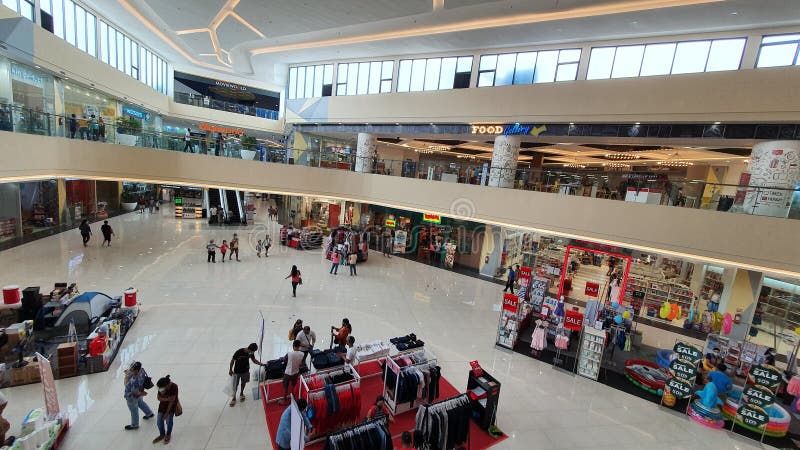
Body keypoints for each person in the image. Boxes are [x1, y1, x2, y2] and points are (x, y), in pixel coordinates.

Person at [123, 361, 154, 430]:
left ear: (136, 370)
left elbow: (134, 391)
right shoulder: (142, 370)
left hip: (132, 397)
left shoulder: (134, 380)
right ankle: (149, 413)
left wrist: (126, 377)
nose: (130, 370)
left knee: (134, 410)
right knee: (140, 403)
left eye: (132, 369)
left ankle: (135, 425)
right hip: (141, 390)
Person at [153, 375, 179, 444]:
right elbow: (158, 398)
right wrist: (167, 399)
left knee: (169, 421)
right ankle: (162, 434)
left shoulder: (174, 387)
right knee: (159, 422)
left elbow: (172, 401)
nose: (160, 389)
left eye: (161, 387)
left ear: (167, 385)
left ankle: (168, 434)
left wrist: (167, 413)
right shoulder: (161, 387)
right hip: (162, 407)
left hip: (171, 407)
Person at [279, 340, 305, 405]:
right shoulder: (302, 354)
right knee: (293, 386)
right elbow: (301, 364)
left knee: (285, 387)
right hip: (296, 373)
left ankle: (284, 400)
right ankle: (293, 398)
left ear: (293, 346)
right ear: (299, 346)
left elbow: (284, 360)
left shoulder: (289, 354)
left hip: (288, 373)